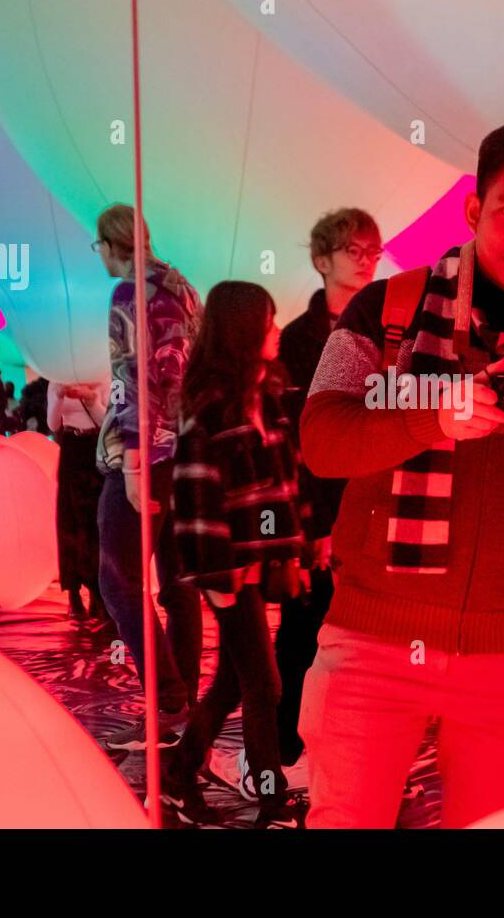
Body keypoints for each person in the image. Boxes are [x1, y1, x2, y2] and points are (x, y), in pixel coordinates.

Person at [297, 119, 504, 828]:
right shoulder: (385, 310)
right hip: (372, 642)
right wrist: (429, 416)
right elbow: (321, 442)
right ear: (474, 210)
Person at [164, 280, 311, 829]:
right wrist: (219, 572)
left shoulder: (267, 396)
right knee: (263, 683)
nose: (276, 331)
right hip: (226, 567)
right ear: (246, 328)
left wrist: (292, 548)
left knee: (233, 678)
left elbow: (286, 483)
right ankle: (270, 797)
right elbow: (195, 492)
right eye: (269, 321)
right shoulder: (211, 405)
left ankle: (180, 772)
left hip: (255, 564)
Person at [273, 207, 384, 766]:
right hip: (319, 507)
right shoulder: (298, 340)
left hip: (373, 504)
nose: (366, 261)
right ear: (322, 259)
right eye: (354, 251)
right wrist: (312, 525)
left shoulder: (388, 330)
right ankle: (290, 746)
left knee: (371, 635)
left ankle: (354, 745)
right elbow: (299, 441)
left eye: (373, 251)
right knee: (304, 630)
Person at [93, 203, 203, 749]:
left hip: (148, 454)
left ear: (111, 245)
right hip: (186, 450)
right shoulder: (183, 288)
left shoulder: (128, 294)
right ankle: (185, 710)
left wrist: (133, 459)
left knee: (119, 582)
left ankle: (169, 701)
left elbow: (134, 379)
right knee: (179, 583)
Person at [48, 377, 111, 621]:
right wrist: (60, 396)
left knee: (96, 523)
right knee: (69, 521)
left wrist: (91, 400)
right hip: (71, 447)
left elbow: (107, 421)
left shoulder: (104, 375)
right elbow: (52, 423)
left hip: (96, 447)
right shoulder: (57, 376)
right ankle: (73, 592)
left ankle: (98, 592)